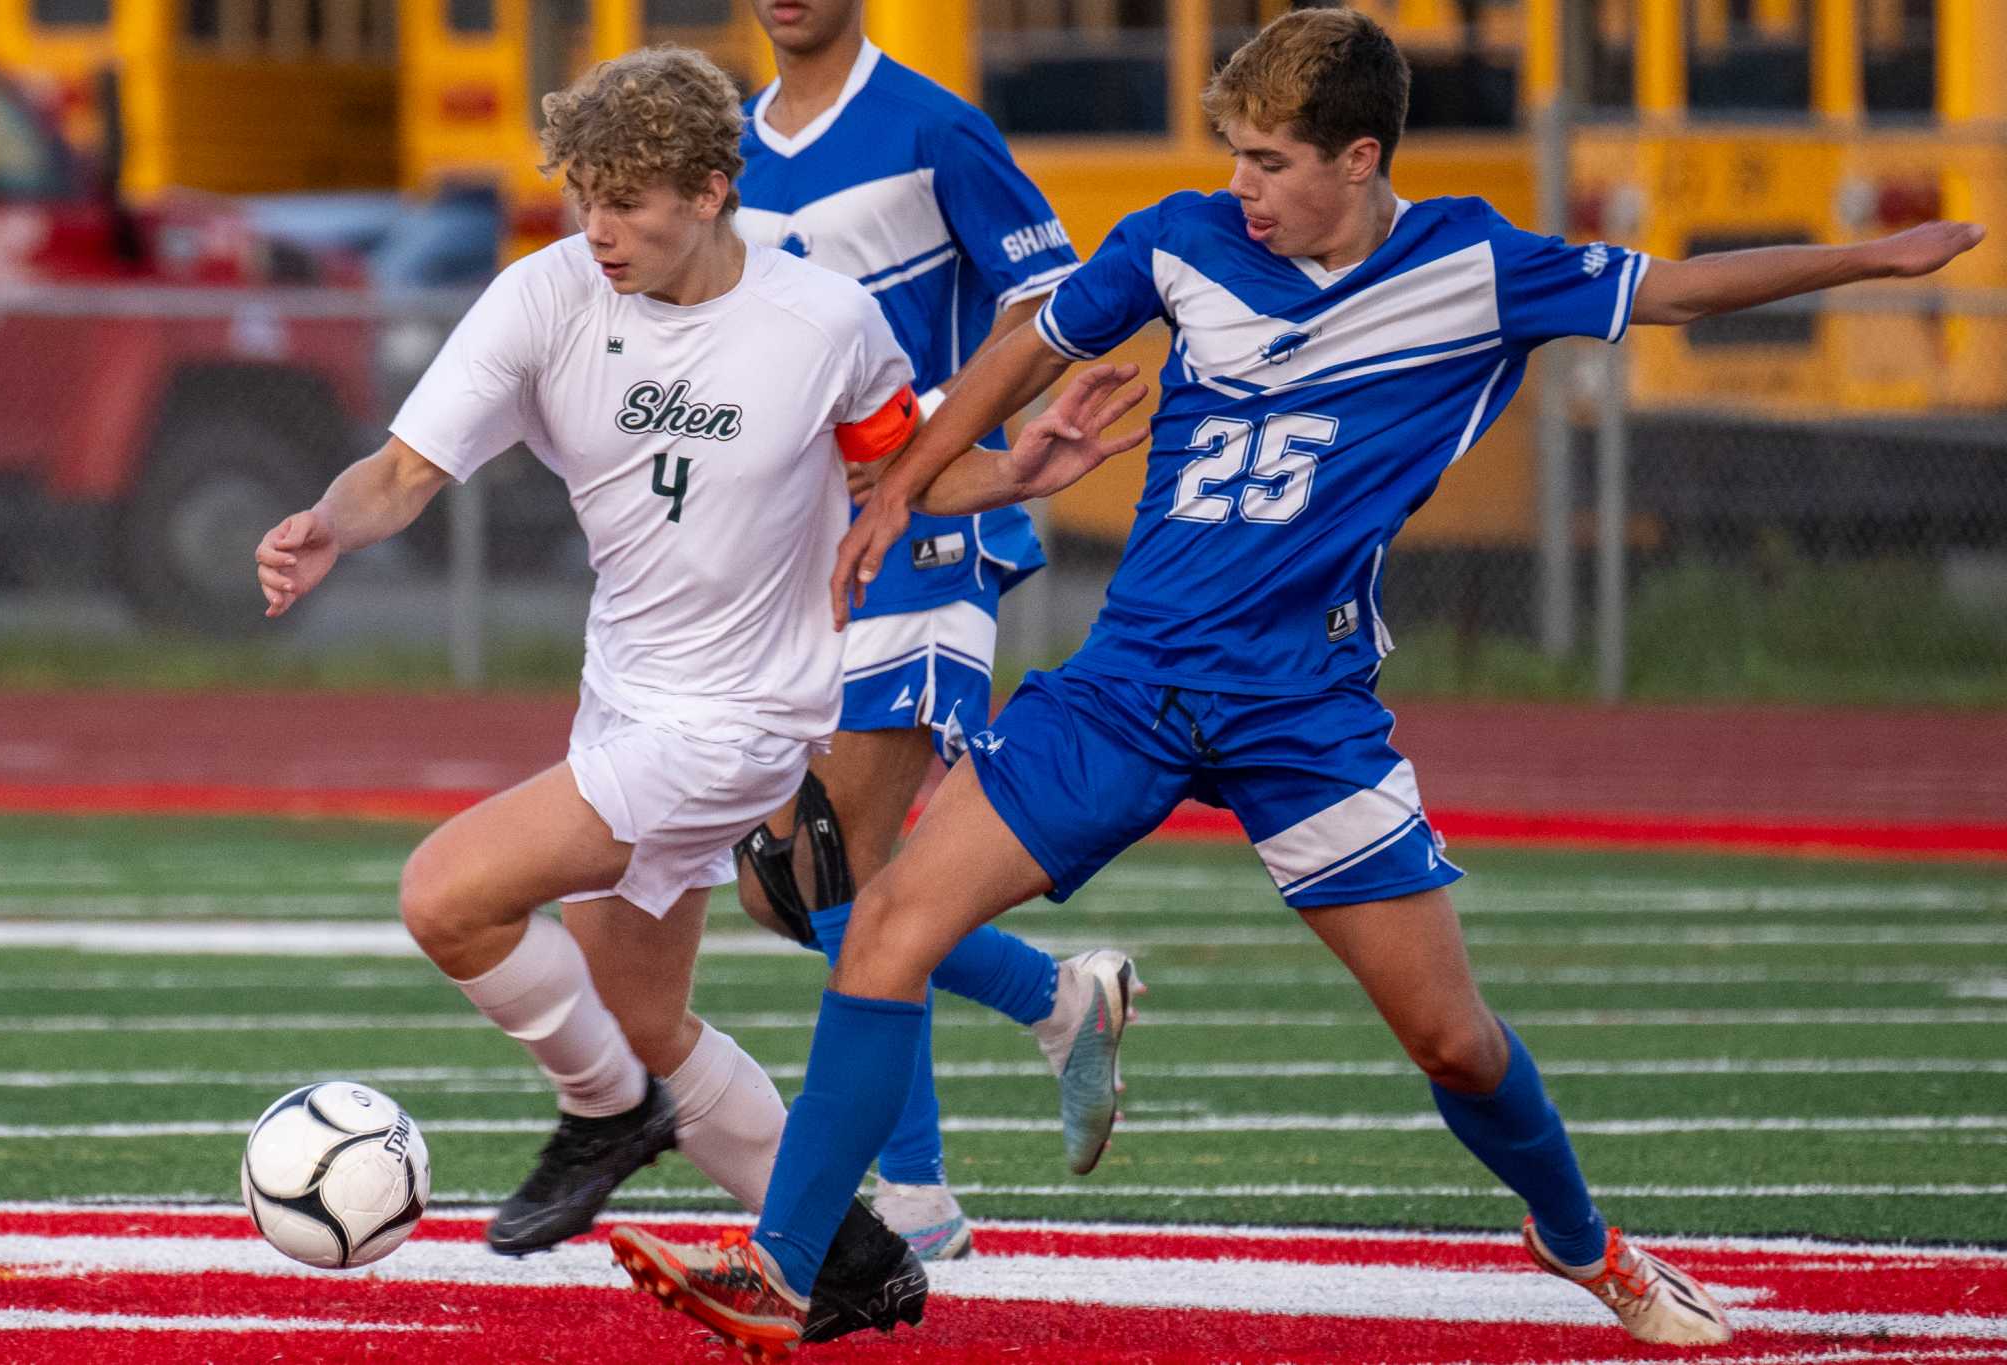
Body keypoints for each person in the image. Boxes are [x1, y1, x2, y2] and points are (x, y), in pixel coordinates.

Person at [611, 8, 1988, 1357]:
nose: (1241, 187)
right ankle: (787, 1272)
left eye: (1269, 161)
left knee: (1453, 1042)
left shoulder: (1474, 266)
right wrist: (902, 485)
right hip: (1130, 683)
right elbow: (1028, 346)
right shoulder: (1181, 239)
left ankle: (1584, 1243)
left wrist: (1877, 256)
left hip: (1300, 710)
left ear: (1360, 158)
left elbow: (1674, 289)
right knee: (884, 924)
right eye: (1235, 155)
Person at [250, 44, 1134, 1346]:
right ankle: (853, 1259)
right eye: (582, 197)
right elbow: (401, 470)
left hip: (744, 723)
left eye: (627, 202)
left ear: (714, 189)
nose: (597, 229)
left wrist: (1012, 472)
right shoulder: (546, 293)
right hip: (622, 697)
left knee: (444, 894)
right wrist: (326, 524)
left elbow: (899, 471)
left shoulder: (821, 321)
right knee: (644, 1019)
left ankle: (606, 1114)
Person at [722, 0, 1138, 1261]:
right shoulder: (725, 145)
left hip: (932, 530)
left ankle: (914, 1195)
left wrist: (928, 435)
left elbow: (1052, 299)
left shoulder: (932, 127)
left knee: (838, 855)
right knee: (783, 885)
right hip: (793, 547)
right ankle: (1053, 997)